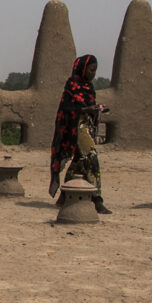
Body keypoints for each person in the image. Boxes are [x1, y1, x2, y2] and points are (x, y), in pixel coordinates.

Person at [49, 53, 110, 213]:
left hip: (86, 128)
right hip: (76, 129)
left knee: (78, 161)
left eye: (95, 71)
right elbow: (66, 109)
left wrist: (97, 109)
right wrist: (86, 109)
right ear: (83, 69)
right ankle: (97, 199)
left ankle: (65, 195)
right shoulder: (72, 85)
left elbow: (89, 105)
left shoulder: (89, 87)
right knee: (91, 158)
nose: (93, 73)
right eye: (91, 70)